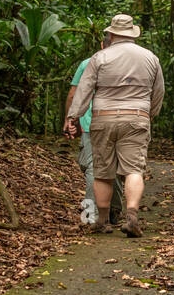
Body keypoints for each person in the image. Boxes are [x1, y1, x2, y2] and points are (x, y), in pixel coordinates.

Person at [66, 14, 165, 237]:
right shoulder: (150, 58)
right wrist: (150, 113)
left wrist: (74, 116)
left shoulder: (99, 57)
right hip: (136, 117)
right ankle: (131, 216)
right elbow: (158, 91)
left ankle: (101, 220)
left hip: (103, 118)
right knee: (133, 169)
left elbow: (84, 89)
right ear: (132, 34)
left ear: (111, 34)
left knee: (102, 172)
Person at [64, 35, 124, 227]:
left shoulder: (88, 63)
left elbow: (74, 93)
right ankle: (114, 209)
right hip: (121, 122)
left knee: (93, 167)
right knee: (113, 166)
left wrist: (70, 118)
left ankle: (91, 214)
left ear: (101, 45)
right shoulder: (127, 63)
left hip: (93, 122)